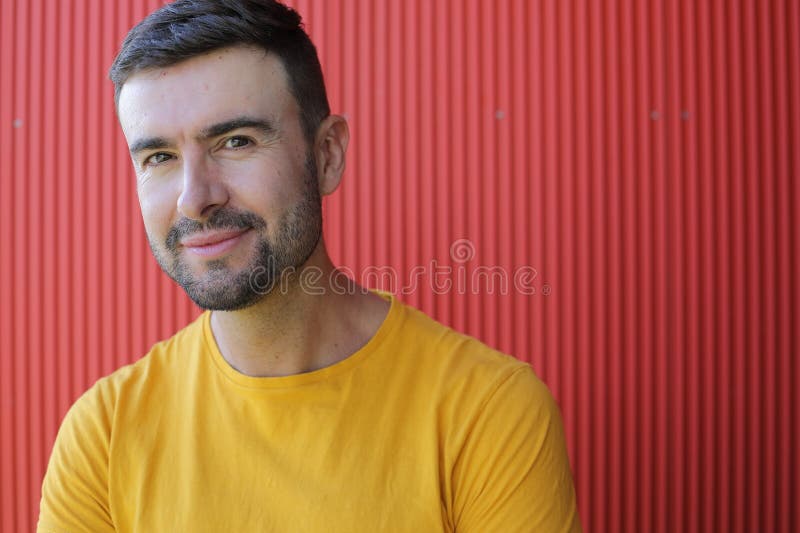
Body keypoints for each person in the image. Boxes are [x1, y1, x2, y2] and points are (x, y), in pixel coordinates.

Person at [38, 1, 581, 531]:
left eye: (235, 141)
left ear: (327, 156)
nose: (194, 199)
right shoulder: (103, 436)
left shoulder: (486, 412)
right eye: (159, 157)